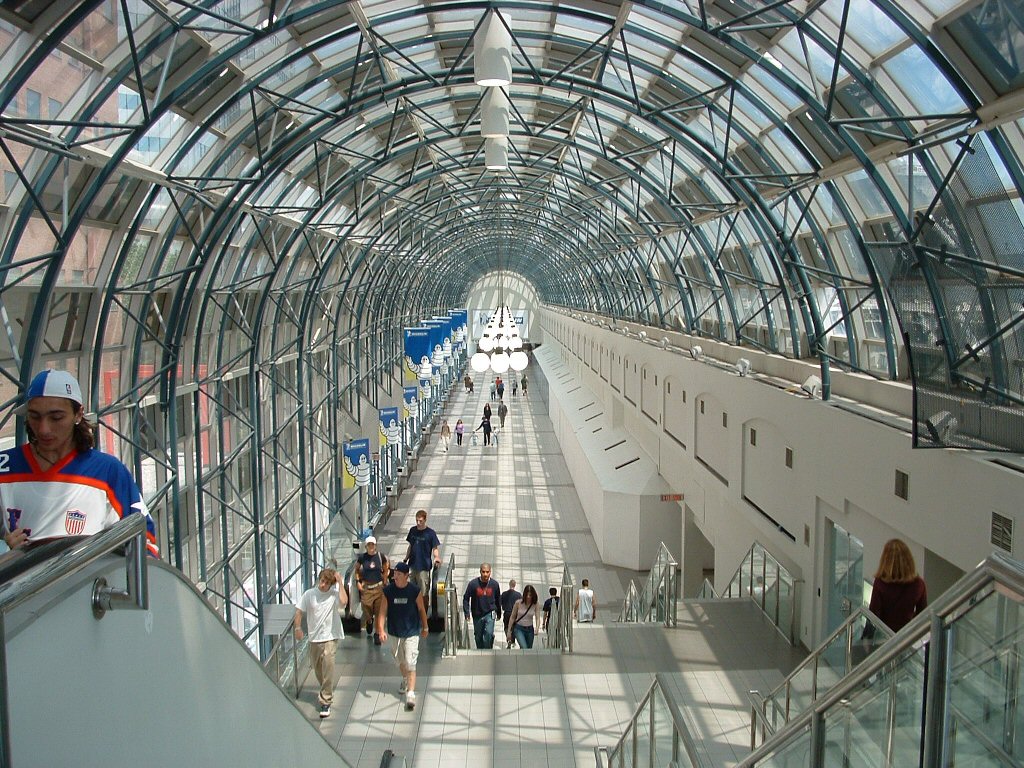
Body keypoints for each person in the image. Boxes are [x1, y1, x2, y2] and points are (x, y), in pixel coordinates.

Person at [0, 369, 159, 558]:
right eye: (35, 416)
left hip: (90, 585)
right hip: (26, 585)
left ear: (78, 414)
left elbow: (144, 542)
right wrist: (6, 550)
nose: (43, 429)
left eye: (56, 417)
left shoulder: (107, 471)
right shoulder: (5, 467)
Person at [294, 567, 348, 718]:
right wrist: (298, 628)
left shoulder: (334, 594)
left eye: (327, 583)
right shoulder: (309, 595)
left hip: (330, 637)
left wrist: (340, 583)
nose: (323, 585)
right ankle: (325, 689)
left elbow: (344, 602)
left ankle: (326, 701)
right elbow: (298, 611)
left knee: (328, 667)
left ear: (331, 584)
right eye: (322, 581)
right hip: (314, 638)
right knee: (319, 670)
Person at [377, 562, 429, 711]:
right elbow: (382, 612)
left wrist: (425, 626)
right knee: (400, 661)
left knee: (410, 661)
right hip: (394, 632)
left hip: (411, 632)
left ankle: (411, 693)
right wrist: (381, 629)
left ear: (406, 576)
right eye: (395, 574)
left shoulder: (414, 591)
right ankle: (405, 679)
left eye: (399, 574)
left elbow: (421, 609)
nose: (396, 576)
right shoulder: (388, 591)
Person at [868, 539, 928, 633]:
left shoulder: (881, 583)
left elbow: (874, 614)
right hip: (907, 634)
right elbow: (922, 614)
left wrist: (867, 638)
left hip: (885, 635)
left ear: (885, 560)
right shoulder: (919, 584)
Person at [356, 536, 389, 645]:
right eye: (369, 545)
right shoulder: (362, 558)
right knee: (366, 607)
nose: (371, 547)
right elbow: (357, 569)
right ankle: (369, 621)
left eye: (372, 545)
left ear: (375, 546)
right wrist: (358, 581)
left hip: (378, 587)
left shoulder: (380, 557)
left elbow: (386, 567)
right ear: (366, 546)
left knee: (379, 612)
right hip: (367, 588)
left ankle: (377, 633)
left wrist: (384, 579)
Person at [405, 509, 441, 605]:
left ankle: (423, 612)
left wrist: (436, 557)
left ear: (425, 520)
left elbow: (435, 548)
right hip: (412, 565)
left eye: (420, 521)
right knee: (411, 590)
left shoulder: (430, 533)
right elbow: (410, 546)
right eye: (417, 520)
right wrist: (406, 558)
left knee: (423, 591)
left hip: (424, 567)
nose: (418, 523)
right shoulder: (413, 531)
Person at [463, 562, 501, 649]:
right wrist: (467, 613)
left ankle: (487, 651)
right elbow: (466, 598)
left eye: (487, 572)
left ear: (490, 572)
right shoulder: (473, 584)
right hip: (477, 614)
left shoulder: (495, 584)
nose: (485, 574)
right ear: (480, 572)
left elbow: (498, 599)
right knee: (478, 636)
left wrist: (499, 613)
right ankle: (480, 651)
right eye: (483, 572)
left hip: (490, 613)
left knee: (488, 633)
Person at [506, 584, 541, 649]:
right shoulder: (518, 603)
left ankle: (523, 659)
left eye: (530, 595)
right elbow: (512, 617)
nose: (528, 597)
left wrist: (537, 628)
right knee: (524, 647)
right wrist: (509, 631)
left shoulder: (535, 604)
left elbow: (538, 617)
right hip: (519, 628)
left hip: (530, 629)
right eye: (527, 595)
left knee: (529, 649)